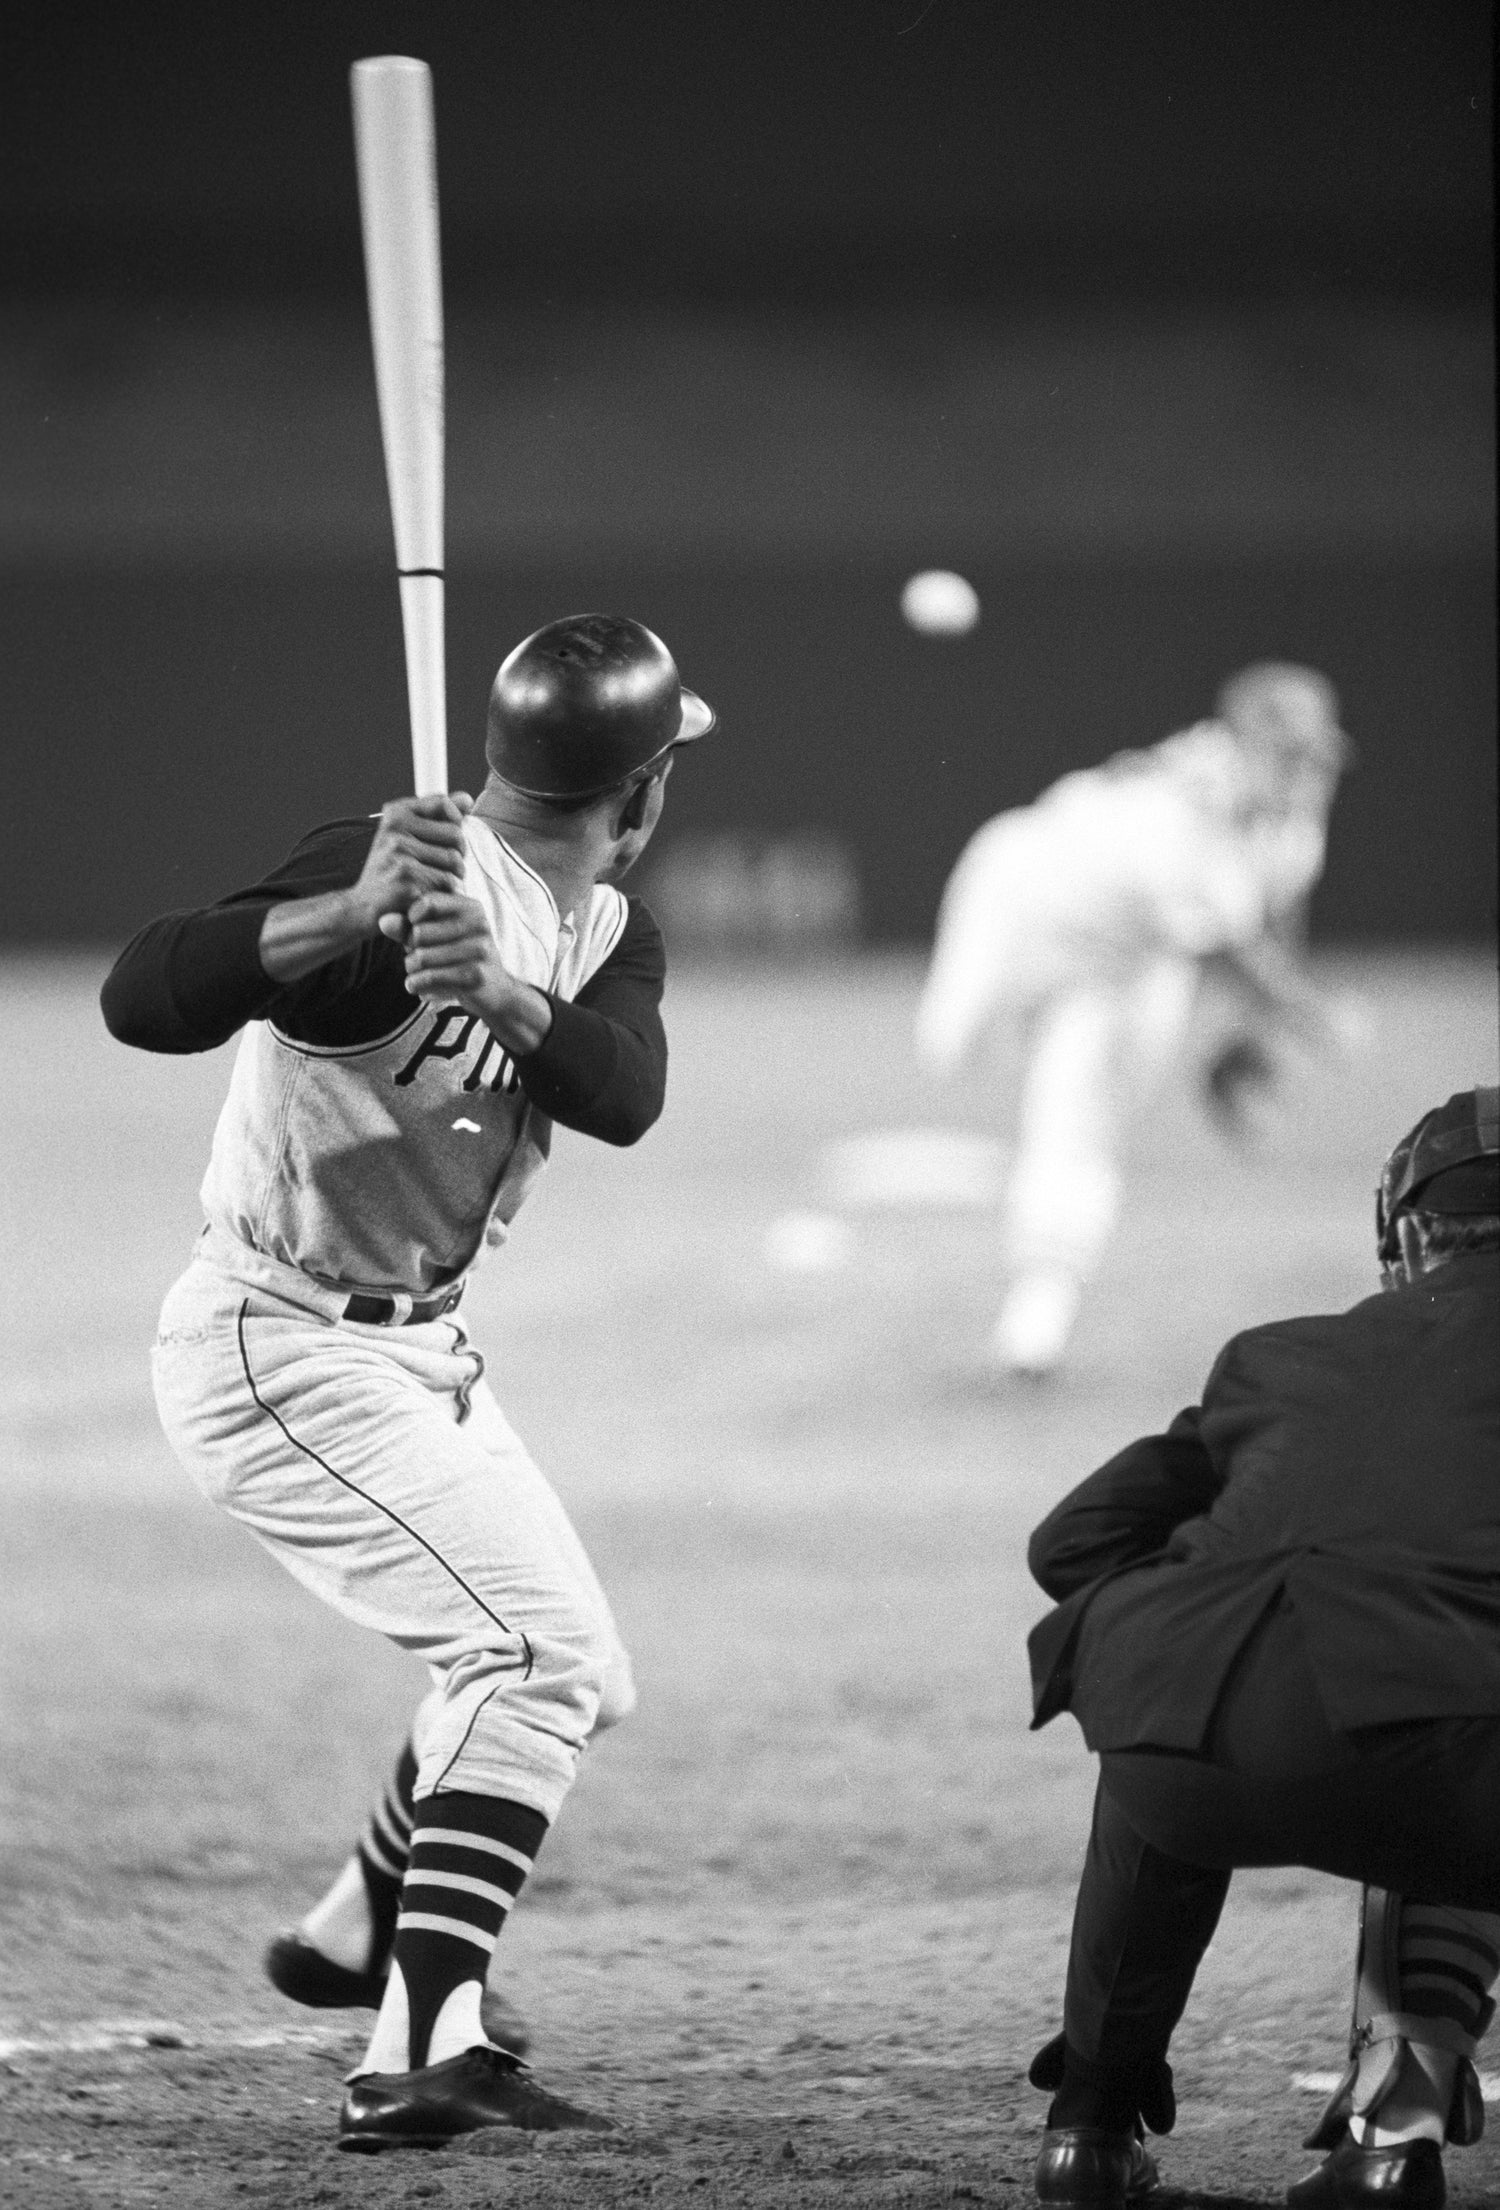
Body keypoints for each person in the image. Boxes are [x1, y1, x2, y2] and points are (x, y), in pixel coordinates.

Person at [100, 612, 714, 2151]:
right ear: (641, 792)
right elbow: (144, 991)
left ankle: (348, 1937)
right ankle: (421, 2043)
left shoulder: (601, 926)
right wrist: (347, 921)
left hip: (413, 1350)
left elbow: (624, 1090)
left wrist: (499, 992)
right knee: (534, 1658)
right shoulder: (389, 873)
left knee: (575, 1673)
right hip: (278, 1343)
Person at [1020, 1086, 1500, 2209]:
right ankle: (1396, 2128)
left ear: (1408, 1232)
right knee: (1434, 1689)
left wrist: (1208, 1588)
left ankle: (1088, 2123)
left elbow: (1072, 1537)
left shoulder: (1282, 1354)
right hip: (1449, 1764)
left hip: (1189, 1761)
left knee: (1177, 1681)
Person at [913, 664, 1353, 1375]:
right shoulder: (1180, 808)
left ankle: (1035, 1323)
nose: (1304, 769)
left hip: (1129, 964)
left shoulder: (1293, 814)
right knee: (950, 1051)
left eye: (1313, 753)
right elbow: (1230, 954)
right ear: (1240, 740)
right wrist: (1312, 1018)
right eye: (1287, 750)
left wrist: (1258, 1032)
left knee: (1078, 1126)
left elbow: (1272, 921)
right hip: (1019, 905)